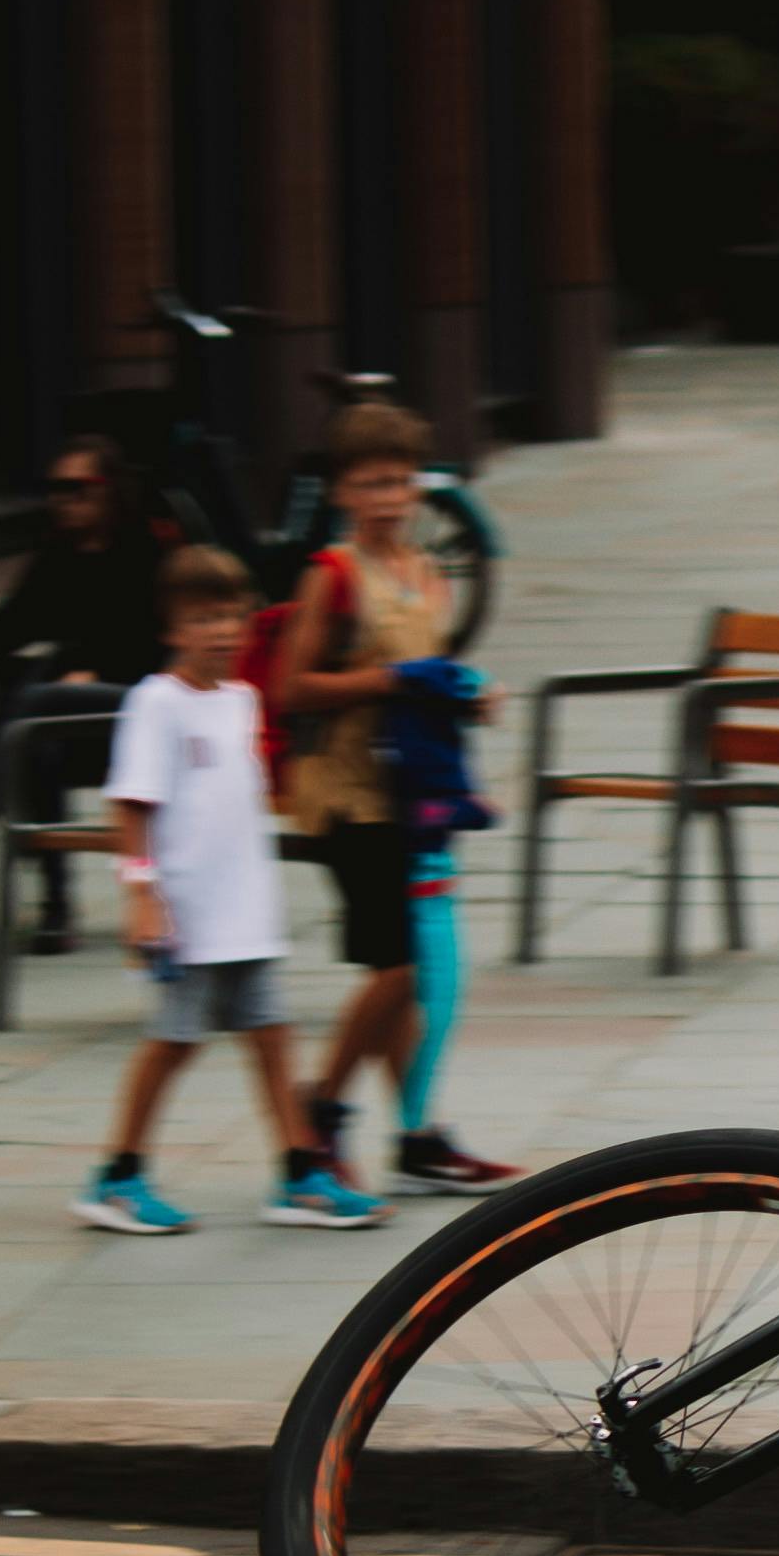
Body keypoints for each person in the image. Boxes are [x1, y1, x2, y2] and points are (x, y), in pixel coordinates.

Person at [75, 548, 388, 1236]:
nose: (220, 630)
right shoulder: (155, 702)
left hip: (245, 912)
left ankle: (298, 1173)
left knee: (272, 1037)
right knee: (173, 1042)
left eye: (230, 615)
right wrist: (141, 896)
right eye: (202, 618)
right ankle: (118, 1175)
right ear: (172, 628)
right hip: (186, 914)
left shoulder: (242, 700)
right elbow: (132, 806)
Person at [276, 403, 518, 1198]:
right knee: (398, 967)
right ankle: (322, 1111)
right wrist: (385, 682)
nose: (389, 496)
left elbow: (430, 671)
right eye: (372, 482)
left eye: (401, 480)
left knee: (400, 968)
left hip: (414, 794)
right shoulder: (333, 575)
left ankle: (417, 1134)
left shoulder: (428, 572)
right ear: (342, 490)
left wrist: (468, 695)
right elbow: (291, 687)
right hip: (348, 796)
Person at [0, 439, 163, 954]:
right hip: (64, 724)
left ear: (110, 491)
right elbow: (6, 632)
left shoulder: (145, 555)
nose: (64, 500)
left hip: (134, 717)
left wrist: (98, 672)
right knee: (32, 734)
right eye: (55, 490)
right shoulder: (55, 560)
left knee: (33, 712)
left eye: (77, 488)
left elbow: (161, 649)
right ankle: (55, 900)